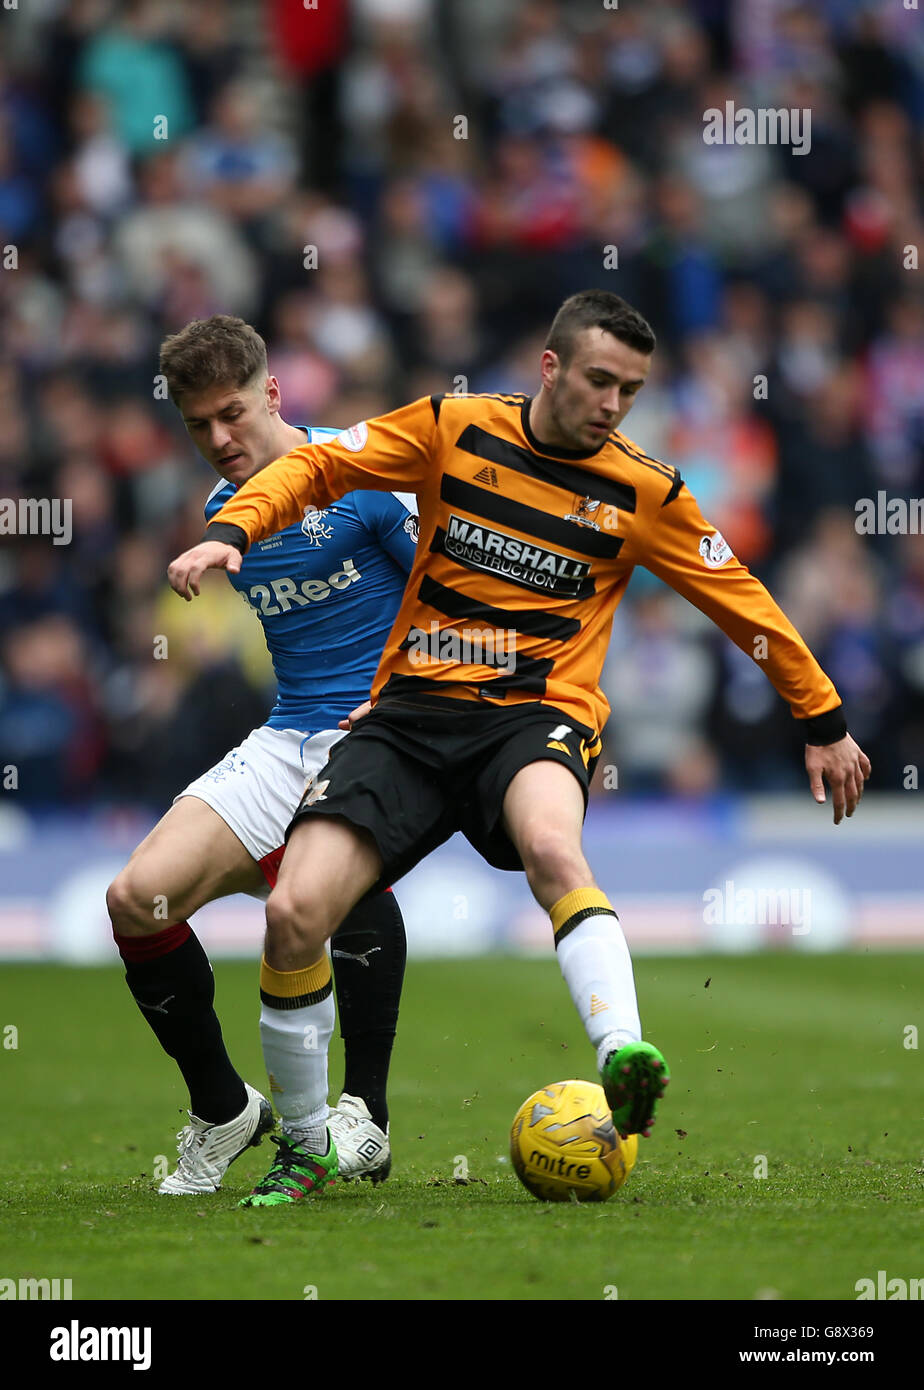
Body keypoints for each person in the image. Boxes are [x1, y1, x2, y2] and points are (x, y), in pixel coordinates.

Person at [168, 290, 871, 1207]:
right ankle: (304, 1148)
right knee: (294, 911)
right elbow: (314, 468)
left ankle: (622, 1053)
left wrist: (822, 721)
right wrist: (230, 532)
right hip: (409, 715)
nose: (614, 404)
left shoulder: (646, 491)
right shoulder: (452, 427)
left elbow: (741, 600)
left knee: (551, 845)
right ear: (550, 367)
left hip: (532, 717)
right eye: (598, 381)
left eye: (630, 388)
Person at [107, 315, 418, 1196]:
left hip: (383, 726)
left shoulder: (364, 478)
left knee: (320, 893)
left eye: (233, 414)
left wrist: (409, 702)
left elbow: (444, 595)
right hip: (290, 734)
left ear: (275, 393)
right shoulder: (221, 514)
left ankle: (365, 1112)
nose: (218, 439)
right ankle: (223, 1108)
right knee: (137, 901)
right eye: (198, 425)